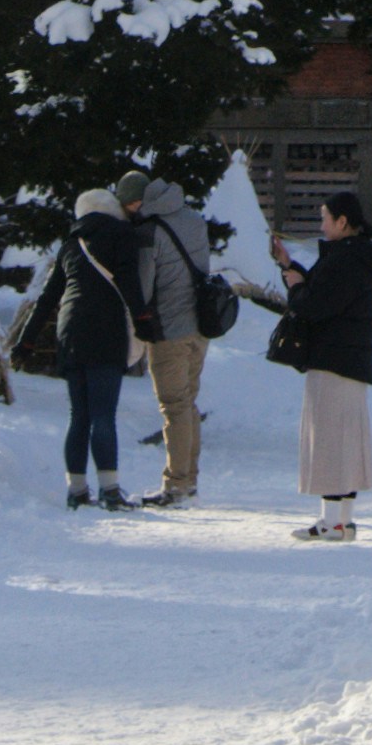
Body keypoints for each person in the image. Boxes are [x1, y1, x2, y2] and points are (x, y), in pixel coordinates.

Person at [253, 190, 372, 539]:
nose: (322, 224)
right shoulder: (356, 257)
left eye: (325, 217)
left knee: (329, 441)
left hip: (333, 359)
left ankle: (332, 522)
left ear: (343, 222)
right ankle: (342, 520)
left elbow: (314, 305)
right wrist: (291, 268)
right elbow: (322, 291)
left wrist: (297, 287)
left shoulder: (345, 260)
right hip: (352, 361)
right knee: (347, 440)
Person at [52, 179, 152, 508]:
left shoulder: (70, 243)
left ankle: (77, 490)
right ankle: (110, 491)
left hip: (70, 331)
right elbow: (128, 281)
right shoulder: (122, 236)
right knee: (103, 415)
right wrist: (143, 320)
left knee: (77, 414)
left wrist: (25, 340)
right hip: (105, 331)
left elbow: (49, 295)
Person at [135, 172, 231, 506]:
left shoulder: (150, 232)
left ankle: (176, 484)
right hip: (200, 327)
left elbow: (143, 287)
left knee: (174, 407)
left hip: (169, 331)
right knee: (188, 403)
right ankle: (189, 479)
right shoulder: (193, 219)